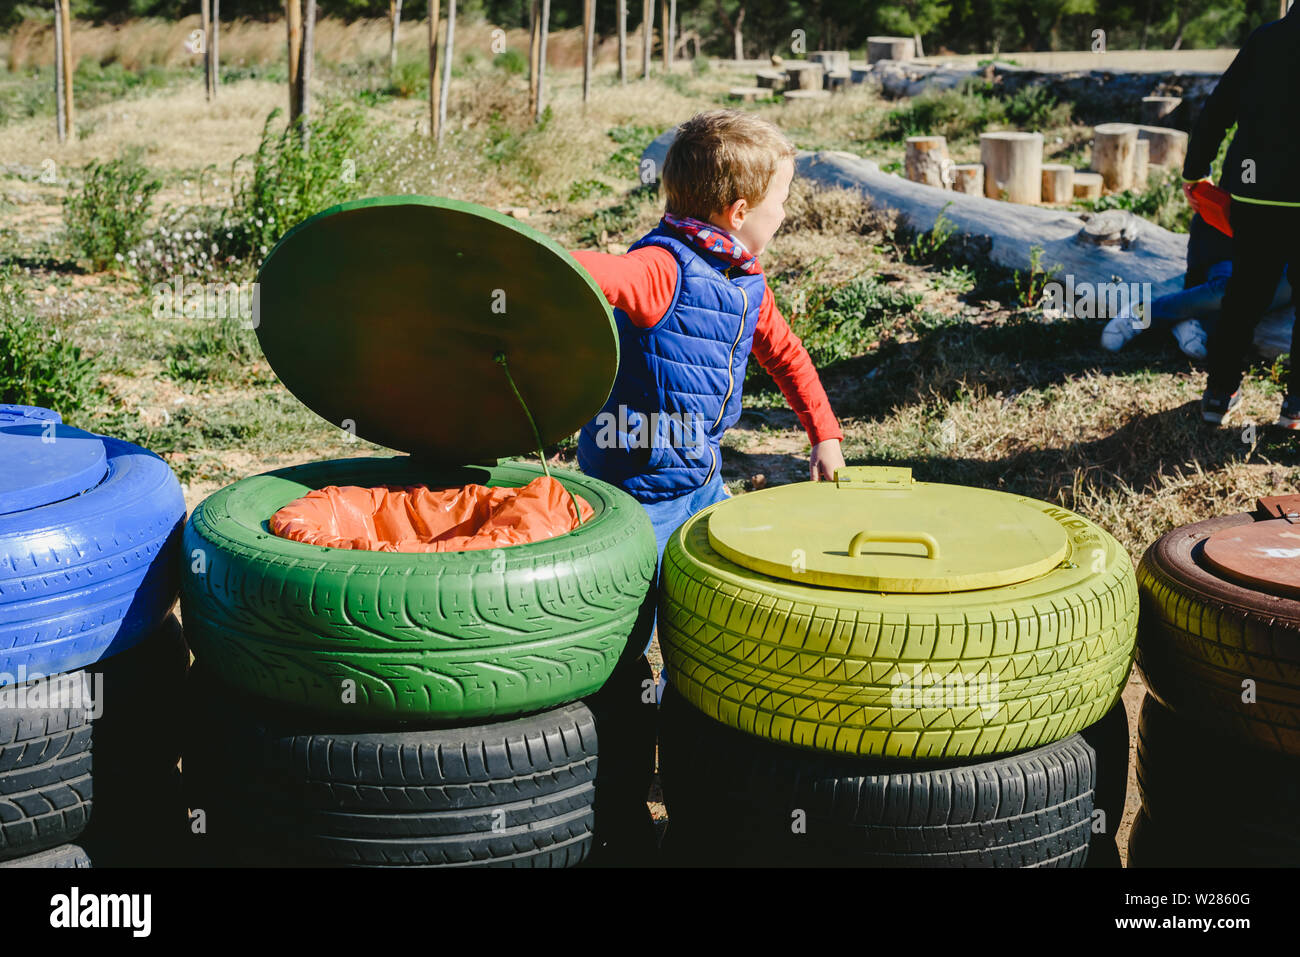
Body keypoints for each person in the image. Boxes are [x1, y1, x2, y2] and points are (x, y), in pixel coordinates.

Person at [571, 110, 846, 573]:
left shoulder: (745, 284)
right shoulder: (663, 269)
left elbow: (787, 356)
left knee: (722, 579)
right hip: (638, 483)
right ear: (739, 212)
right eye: (781, 200)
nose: (784, 212)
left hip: (700, 471)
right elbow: (583, 270)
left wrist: (825, 434)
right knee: (635, 603)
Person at [1182, 4, 1300, 427]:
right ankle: (1296, 407)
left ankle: (1219, 395)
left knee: (1244, 297)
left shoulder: (1264, 40)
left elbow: (1218, 107)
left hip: (1256, 196)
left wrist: (1195, 170)